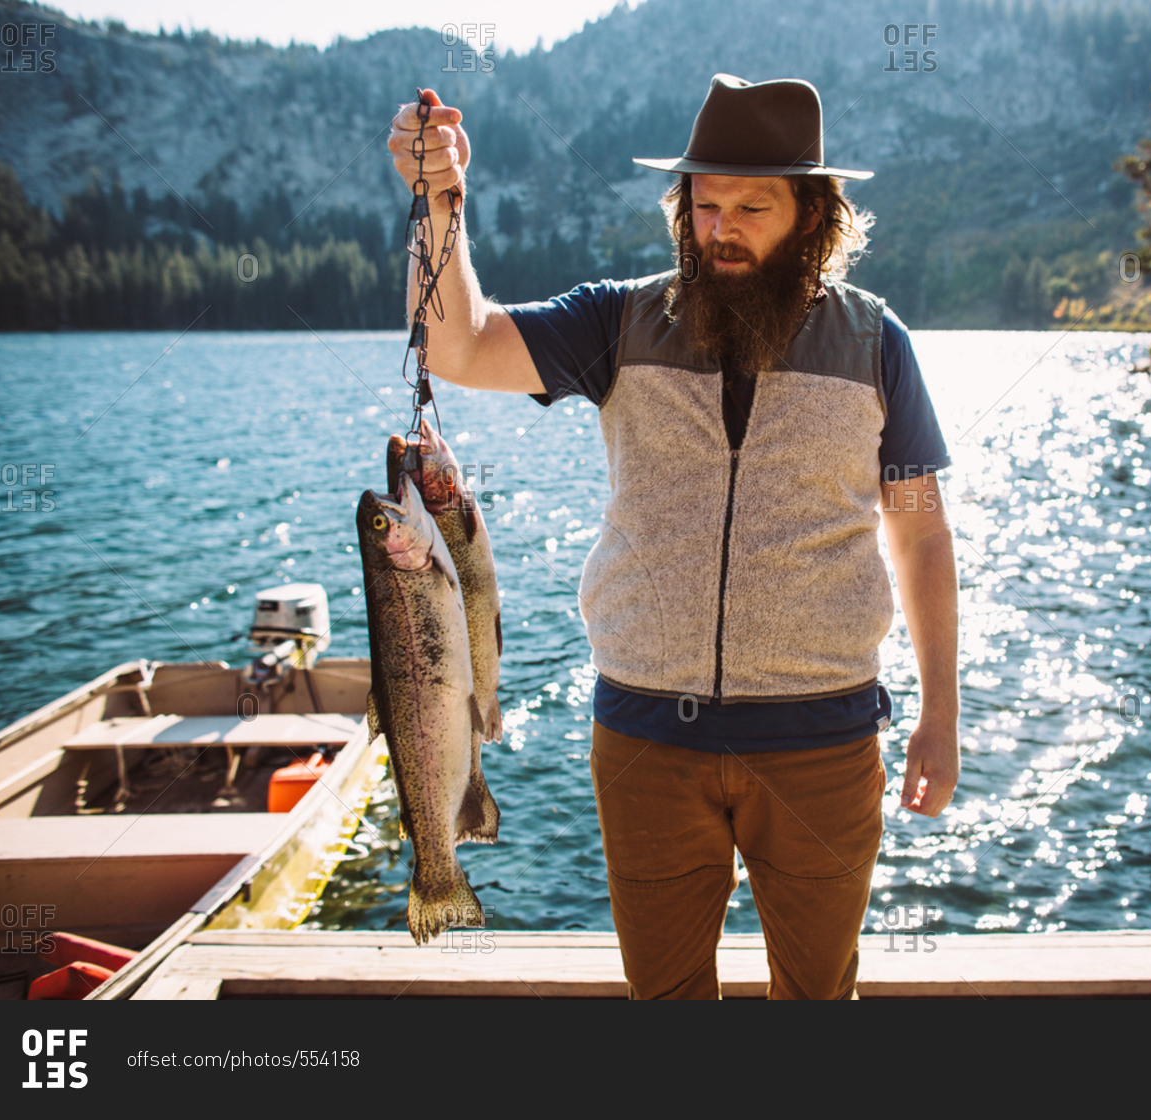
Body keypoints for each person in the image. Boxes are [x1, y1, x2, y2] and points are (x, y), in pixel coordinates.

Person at [387, 73, 960, 999]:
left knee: (819, 1000)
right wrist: (439, 199)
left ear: (813, 216)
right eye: (704, 205)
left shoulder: (876, 343)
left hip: (821, 741)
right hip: (647, 739)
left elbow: (923, 540)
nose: (721, 230)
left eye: (751, 208)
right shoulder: (618, 321)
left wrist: (941, 715)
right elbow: (460, 344)